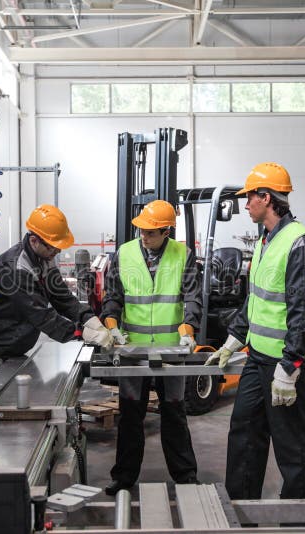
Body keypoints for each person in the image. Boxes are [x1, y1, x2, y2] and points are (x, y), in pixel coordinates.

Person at [206, 162, 305, 503]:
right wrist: (233, 339)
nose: (245, 205)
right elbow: (255, 300)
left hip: (283, 366)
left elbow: (304, 312)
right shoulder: (264, 241)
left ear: (267, 197)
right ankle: (242, 510)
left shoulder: (300, 244)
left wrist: (290, 367)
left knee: (294, 447)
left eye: (249, 198)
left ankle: (301, 523)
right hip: (257, 360)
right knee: (244, 433)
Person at [101, 199, 202, 495]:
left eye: (151, 232)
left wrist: (188, 329)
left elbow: (193, 297)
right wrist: (111, 325)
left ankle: (185, 475)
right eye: (142, 231)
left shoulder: (183, 255)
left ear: (166, 231)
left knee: (174, 412)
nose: (144, 237)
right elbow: (113, 296)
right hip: (134, 350)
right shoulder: (124, 254)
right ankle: (123, 477)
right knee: (131, 414)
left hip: (172, 350)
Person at [0, 204, 113, 372]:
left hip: (17, 347)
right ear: (34, 240)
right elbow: (41, 315)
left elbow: (61, 296)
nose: (56, 253)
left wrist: (89, 318)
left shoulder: (44, 257)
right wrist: (81, 333)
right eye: (54, 249)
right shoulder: (15, 268)